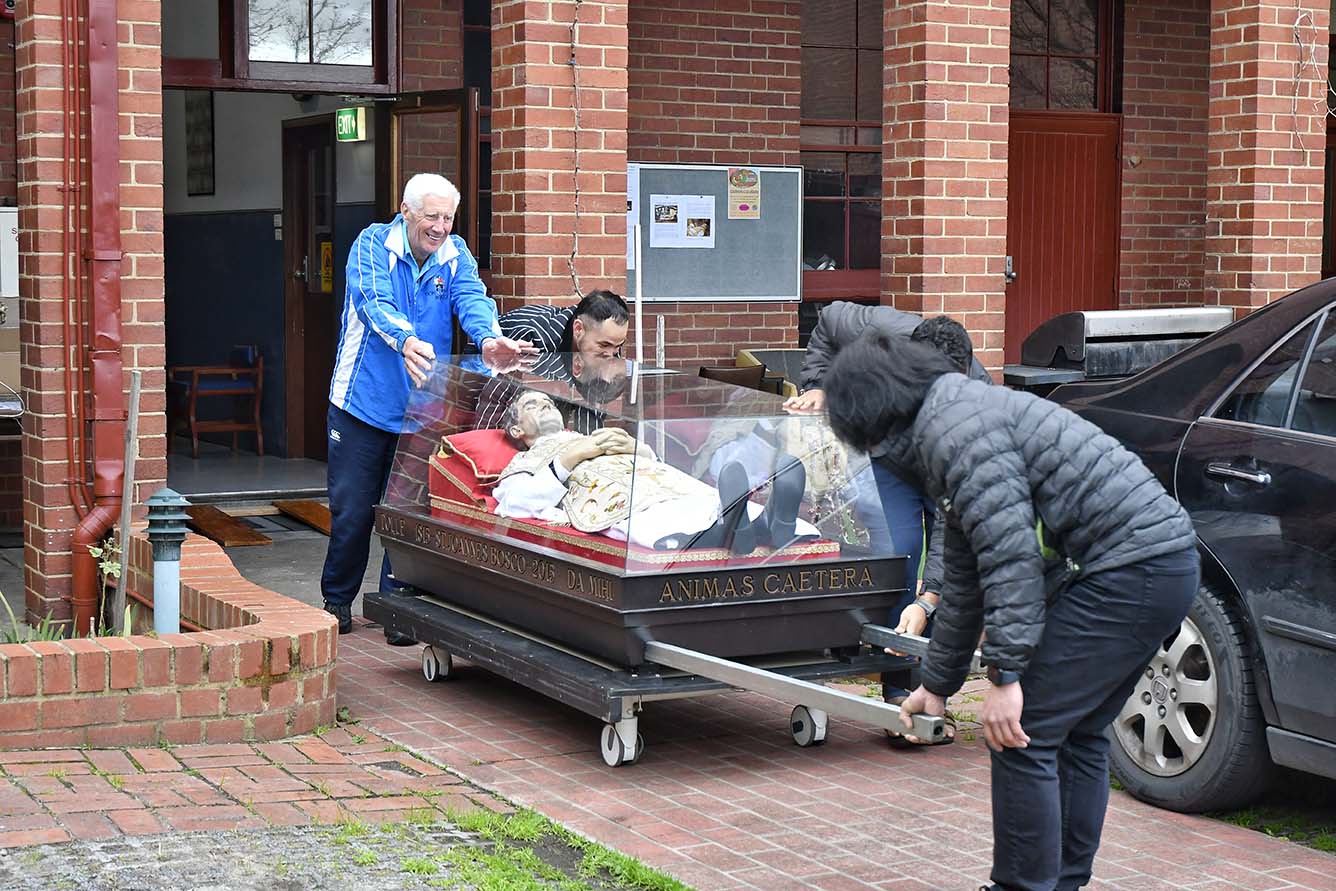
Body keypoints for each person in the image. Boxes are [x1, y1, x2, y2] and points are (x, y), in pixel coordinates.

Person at [824, 335, 1200, 891]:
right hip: (1161, 565)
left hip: (1129, 571)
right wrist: (938, 683)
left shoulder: (954, 430)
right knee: (1079, 731)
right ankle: (1061, 883)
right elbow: (966, 569)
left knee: (1019, 733)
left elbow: (1010, 557)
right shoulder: (952, 415)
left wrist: (1006, 677)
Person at [321, 172, 534, 635]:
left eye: (447, 217)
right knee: (354, 512)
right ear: (406, 211)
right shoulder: (372, 245)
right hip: (362, 404)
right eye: (431, 216)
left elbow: (473, 300)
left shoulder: (454, 253)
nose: (440, 227)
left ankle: (397, 607)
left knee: (410, 512)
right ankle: (337, 601)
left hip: (422, 410)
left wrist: (490, 339)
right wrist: (406, 340)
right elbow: (374, 302)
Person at [787, 309, 988, 745]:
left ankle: (931, 695)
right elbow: (827, 321)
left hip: (948, 469)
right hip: (893, 460)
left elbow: (955, 534)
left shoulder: (976, 409)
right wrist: (818, 384)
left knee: (946, 576)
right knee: (897, 552)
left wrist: (931, 597)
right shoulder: (876, 330)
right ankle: (897, 695)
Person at [493, 390, 815, 552]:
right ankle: (732, 528)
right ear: (517, 431)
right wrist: (570, 459)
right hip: (618, 498)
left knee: (693, 498)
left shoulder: (592, 436)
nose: (546, 405)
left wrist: (638, 449)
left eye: (548, 402)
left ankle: (766, 521)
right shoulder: (525, 460)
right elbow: (514, 503)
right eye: (533, 405)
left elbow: (656, 465)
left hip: (655, 481)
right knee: (652, 515)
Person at [473, 290, 631, 433]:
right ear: (578, 329)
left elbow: (594, 402)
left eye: (618, 346)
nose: (611, 355)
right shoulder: (534, 340)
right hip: (475, 377)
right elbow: (494, 396)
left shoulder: (605, 345)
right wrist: (481, 443)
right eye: (605, 345)